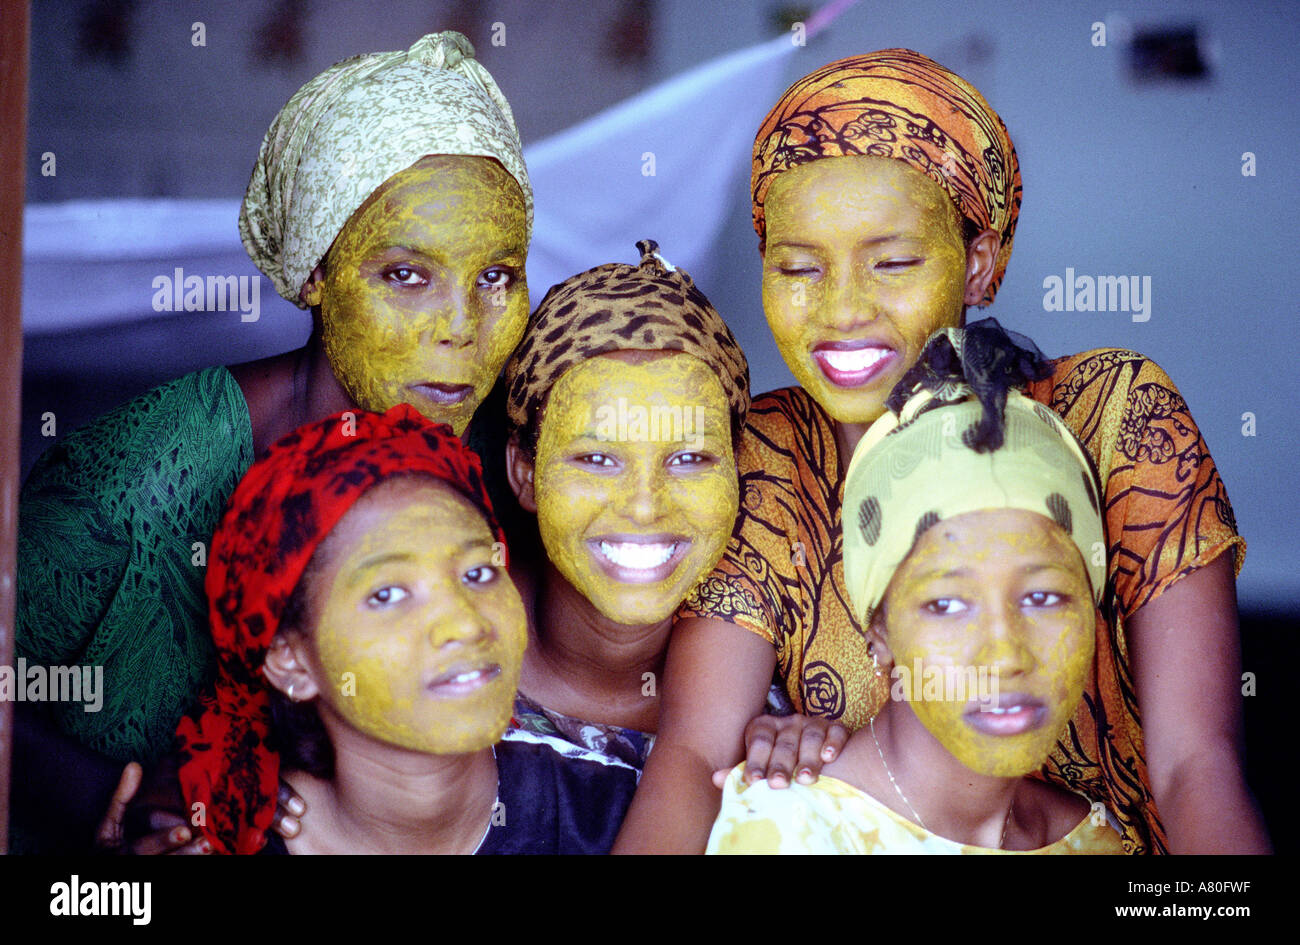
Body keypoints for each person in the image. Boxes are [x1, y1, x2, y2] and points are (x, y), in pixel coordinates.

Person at [617, 49, 1267, 854]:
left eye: (892, 262)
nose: (842, 309)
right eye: (797, 267)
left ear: (981, 263)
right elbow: (694, 755)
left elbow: (1192, 763)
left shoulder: (1111, 417)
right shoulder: (768, 456)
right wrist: (798, 752)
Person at [13, 32, 533, 852]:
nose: (463, 329)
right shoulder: (155, 472)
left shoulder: (511, 454)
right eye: (406, 274)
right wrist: (104, 803)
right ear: (314, 273)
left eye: (498, 276)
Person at [709, 327, 1124, 854]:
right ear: (877, 630)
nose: (1003, 654)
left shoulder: (1098, 839)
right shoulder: (788, 829)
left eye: (1042, 597)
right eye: (946, 604)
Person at [173, 405, 637, 854]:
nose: (465, 622)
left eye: (478, 574)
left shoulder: (621, 819)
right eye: (388, 594)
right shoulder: (217, 841)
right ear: (290, 661)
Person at [501, 240, 752, 767]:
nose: (644, 508)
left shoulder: (779, 684)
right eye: (596, 459)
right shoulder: (443, 657)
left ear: (738, 468)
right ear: (525, 473)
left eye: (688, 458)